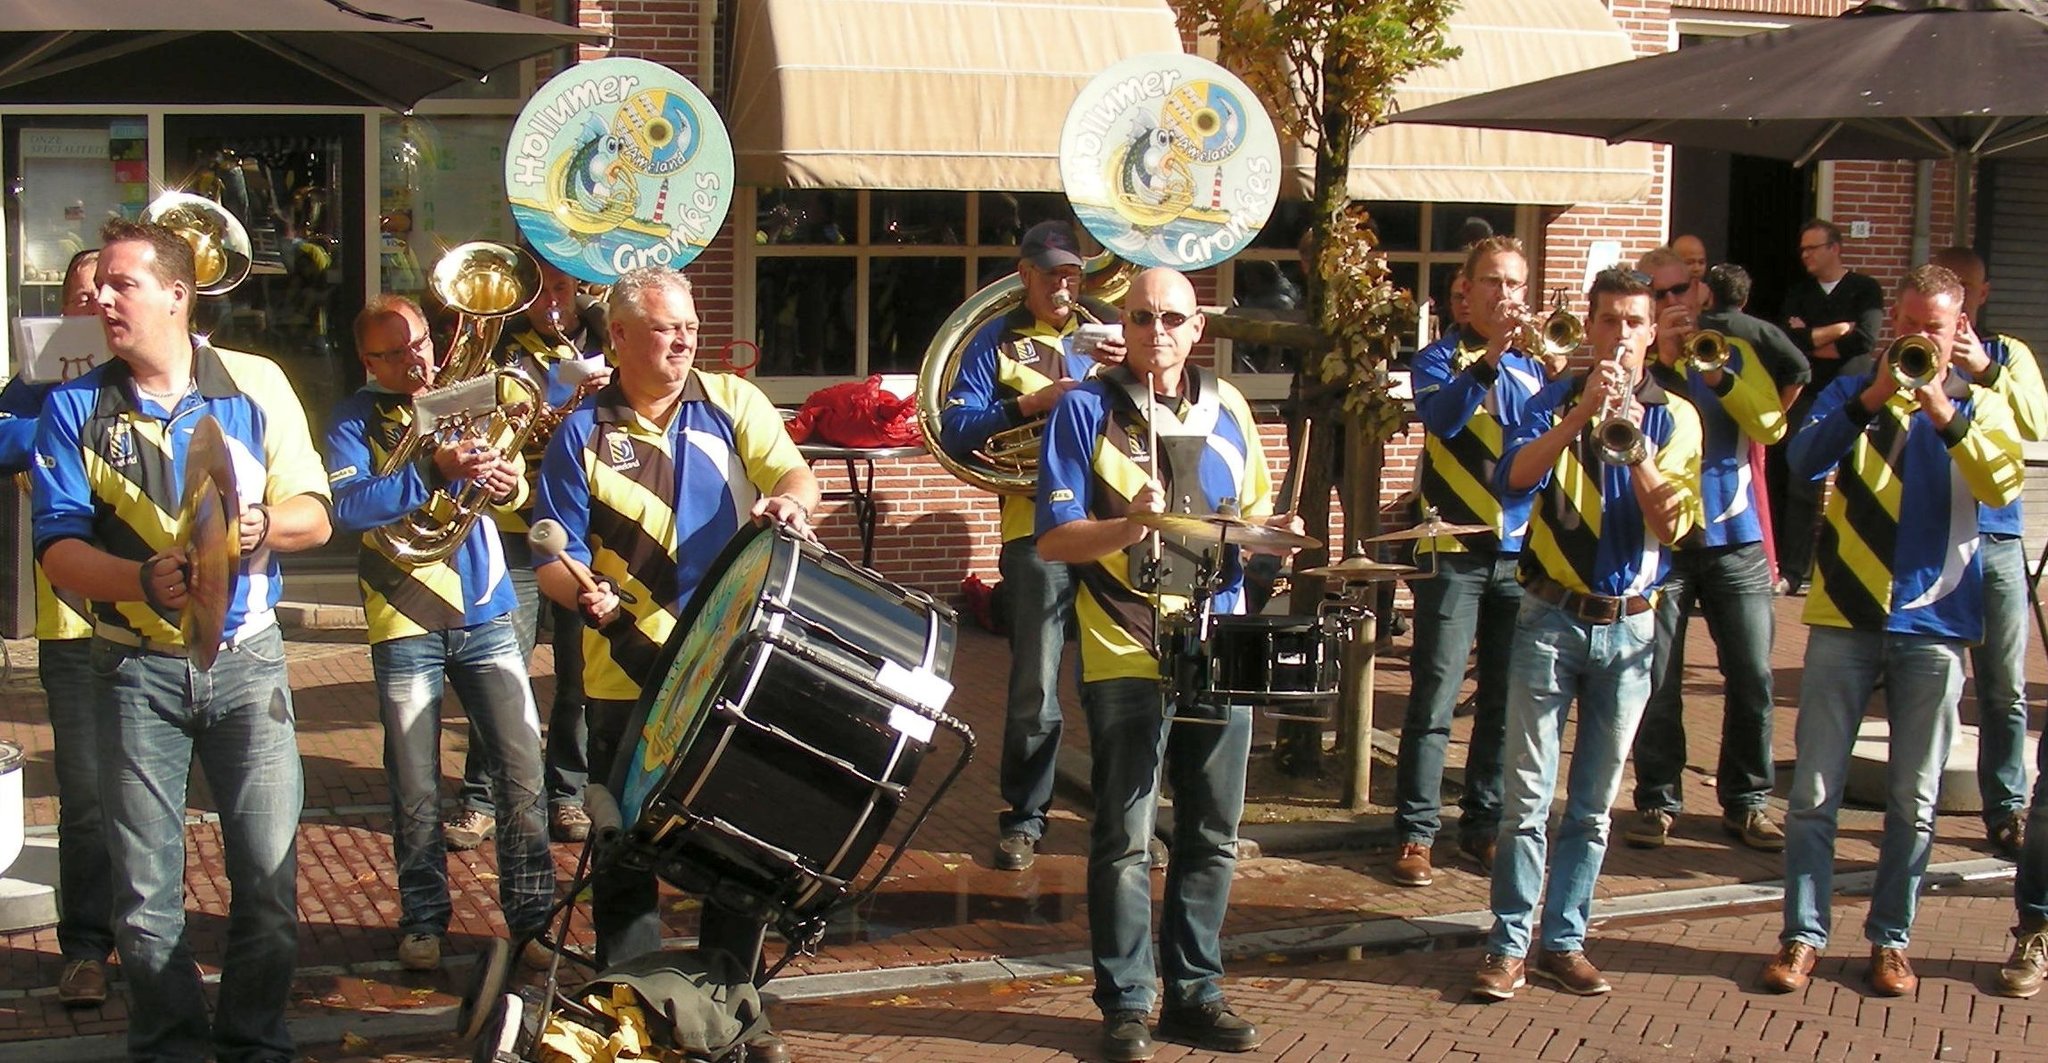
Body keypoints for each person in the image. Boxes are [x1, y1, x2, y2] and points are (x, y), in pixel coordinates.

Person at [32, 219, 333, 1061]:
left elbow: (315, 512)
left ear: (176, 293)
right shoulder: (73, 405)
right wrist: (139, 579)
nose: (101, 298)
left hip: (250, 664)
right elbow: (57, 550)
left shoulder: (256, 382)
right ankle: (168, 1047)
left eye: (121, 284)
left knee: (268, 884)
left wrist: (263, 522)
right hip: (131, 668)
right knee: (143, 899)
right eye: (100, 286)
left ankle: (254, 1044)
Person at [533, 266, 817, 1063]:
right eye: (665, 328)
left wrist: (792, 501)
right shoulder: (581, 432)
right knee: (626, 859)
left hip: (729, 668)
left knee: (739, 856)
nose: (684, 340)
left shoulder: (732, 401)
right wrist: (578, 588)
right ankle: (634, 1021)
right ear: (620, 336)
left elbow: (795, 473)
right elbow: (551, 552)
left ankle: (732, 1016)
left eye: (690, 326)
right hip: (624, 675)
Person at [1037, 266, 1294, 1061]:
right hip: (1125, 643)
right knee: (1124, 836)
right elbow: (1054, 539)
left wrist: (1275, 536)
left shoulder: (1231, 406)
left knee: (1212, 831)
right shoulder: (1085, 408)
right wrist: (1129, 528)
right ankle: (1126, 1001)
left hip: (1217, 646)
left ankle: (1195, 992)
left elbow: (1252, 518)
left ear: (1197, 328)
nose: (1157, 331)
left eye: (1172, 318)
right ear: (1124, 324)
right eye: (1143, 317)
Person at [1759, 264, 2023, 998]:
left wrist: (1944, 412)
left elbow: (2003, 485)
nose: (1917, 337)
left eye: (1931, 327)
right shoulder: (1852, 390)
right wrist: (1871, 397)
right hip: (1846, 613)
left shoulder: (1982, 400)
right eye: (1906, 324)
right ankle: (1802, 934)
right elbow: (1803, 458)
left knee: (1914, 798)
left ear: (1959, 328)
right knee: (1813, 793)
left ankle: (1891, 939)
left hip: (1934, 618)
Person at [1470, 268, 1702, 1002]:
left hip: (1630, 623)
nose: (1621, 335)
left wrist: (1635, 447)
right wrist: (1579, 416)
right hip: (1549, 615)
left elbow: (1675, 524)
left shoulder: (1677, 417)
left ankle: (1564, 941)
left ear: (1651, 333)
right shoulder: (1549, 398)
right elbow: (1513, 478)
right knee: (1526, 799)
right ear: (1591, 328)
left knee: (1594, 806)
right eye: (1609, 321)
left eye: (1634, 323)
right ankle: (1508, 944)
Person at [322, 294, 556, 972]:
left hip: (485, 605)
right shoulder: (352, 418)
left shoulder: (471, 396)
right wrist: (432, 469)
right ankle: (423, 919)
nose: (416, 360)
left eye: (421, 342)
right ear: (368, 360)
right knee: (416, 783)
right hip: (403, 612)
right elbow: (347, 507)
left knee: (522, 771)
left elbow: (511, 490)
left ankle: (532, 920)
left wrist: (508, 485)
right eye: (395, 353)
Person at [939, 219, 1125, 873]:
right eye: (1052, 275)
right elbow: (955, 427)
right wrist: (1031, 404)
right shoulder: (994, 340)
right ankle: (1024, 817)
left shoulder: (1106, 333)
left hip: (1111, 529)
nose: (1065, 287)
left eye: (1073, 275)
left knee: (1116, 683)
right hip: (1035, 533)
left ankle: (1124, 818)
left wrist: (1123, 373)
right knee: (1035, 689)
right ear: (1025, 275)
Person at [1623, 248, 1803, 853]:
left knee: (1752, 675)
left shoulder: (1732, 352)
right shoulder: (1640, 369)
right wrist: (1663, 364)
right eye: (1661, 294)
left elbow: (1772, 426)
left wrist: (1717, 374)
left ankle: (1747, 801)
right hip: (1667, 540)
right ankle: (1657, 798)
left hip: (1736, 536)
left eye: (1682, 289)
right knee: (1658, 677)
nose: (1674, 302)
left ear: (1700, 290)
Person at [1390, 236, 1550, 888]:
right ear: (1468, 289)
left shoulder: (1537, 365)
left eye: (1514, 284)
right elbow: (1444, 419)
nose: (1504, 295)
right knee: (1435, 694)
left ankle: (1482, 824)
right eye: (1492, 282)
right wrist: (1489, 362)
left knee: (1503, 701)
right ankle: (1415, 832)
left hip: (1518, 553)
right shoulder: (1438, 357)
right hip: (1453, 550)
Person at [447, 252, 612, 851]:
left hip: (584, 528)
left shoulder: (609, 343)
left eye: (561, 289)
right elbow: (462, 416)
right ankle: (482, 797)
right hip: (513, 525)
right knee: (500, 667)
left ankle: (568, 792)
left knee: (578, 673)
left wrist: (603, 394)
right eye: (540, 291)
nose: (552, 303)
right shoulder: (499, 345)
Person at [0, 248, 111, 1007]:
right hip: (73, 622)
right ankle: (87, 948)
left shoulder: (160, 370)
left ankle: (158, 937)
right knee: (86, 795)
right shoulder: (40, 375)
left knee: (159, 789)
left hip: (161, 618)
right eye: (81, 294)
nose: (95, 303)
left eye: (109, 289)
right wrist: (62, 415)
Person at [1927, 247, 2048, 865]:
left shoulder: (2009, 353)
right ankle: (1917, 806)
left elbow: (2038, 421)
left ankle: (2006, 808)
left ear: (1982, 294)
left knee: (2003, 685)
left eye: (1968, 291)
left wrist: (1987, 371)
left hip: (1995, 536)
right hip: (1930, 536)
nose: (1964, 306)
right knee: (1932, 683)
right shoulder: (1915, 351)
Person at [1772, 220, 1884, 595]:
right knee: (1801, 482)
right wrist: (1839, 330)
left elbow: (1865, 340)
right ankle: (1794, 570)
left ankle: (1852, 568)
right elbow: (1791, 342)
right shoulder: (1799, 293)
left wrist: (1813, 338)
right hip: (1810, 397)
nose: (1805, 255)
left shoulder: (1865, 289)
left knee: (1858, 480)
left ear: (1834, 248)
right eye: (1802, 249)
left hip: (1855, 396)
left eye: (1813, 248)